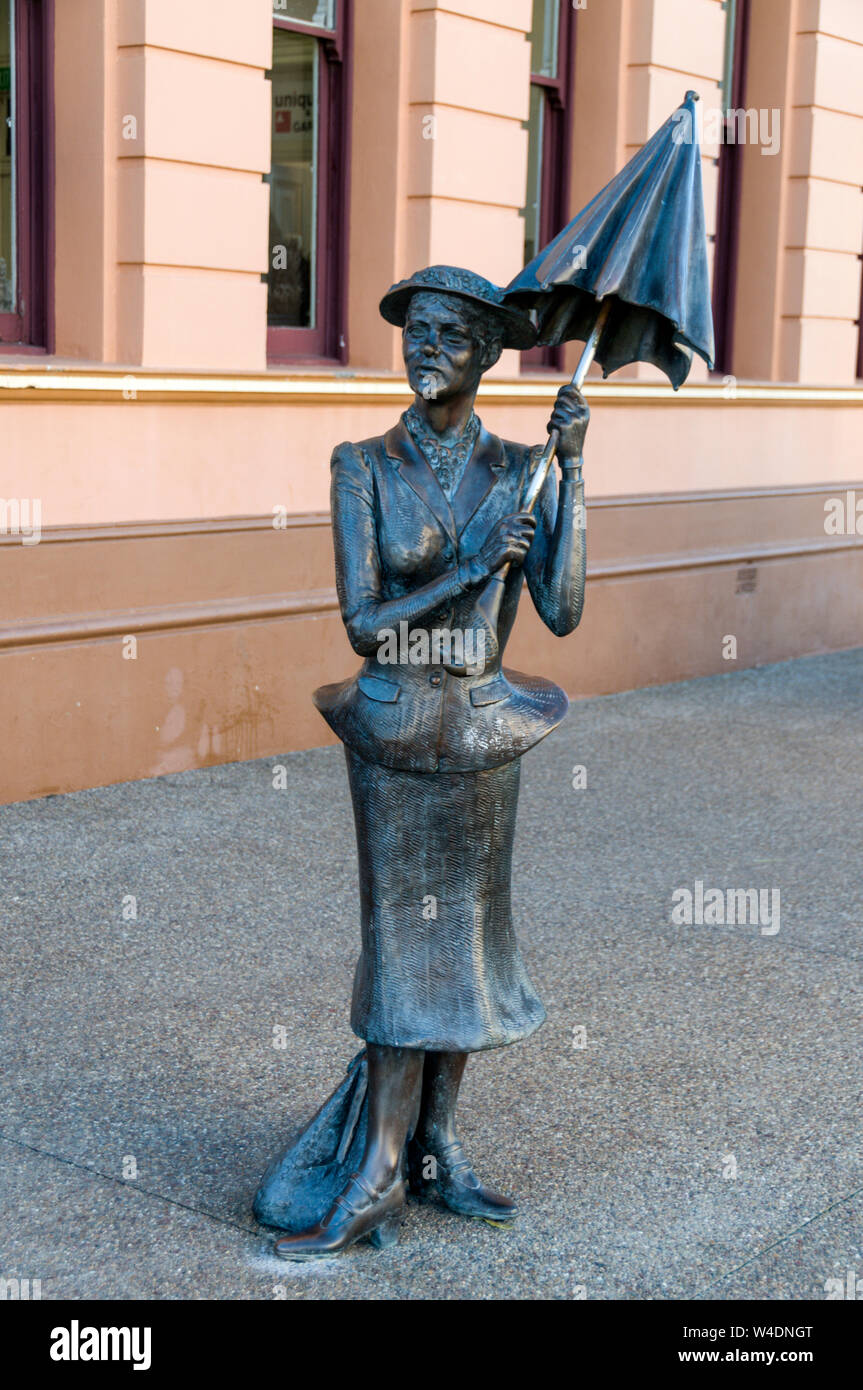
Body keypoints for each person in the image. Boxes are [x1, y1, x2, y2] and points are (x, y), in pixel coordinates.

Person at [272, 265, 589, 1260]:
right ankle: (371, 1169)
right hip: (396, 730)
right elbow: (365, 624)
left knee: (468, 951)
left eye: (449, 333)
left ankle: (434, 1147)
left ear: (488, 354)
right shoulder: (359, 463)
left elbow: (563, 610)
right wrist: (466, 567)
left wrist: (570, 473)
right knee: (401, 951)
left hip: (485, 727)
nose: (423, 347)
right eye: (413, 330)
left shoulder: (516, 467)